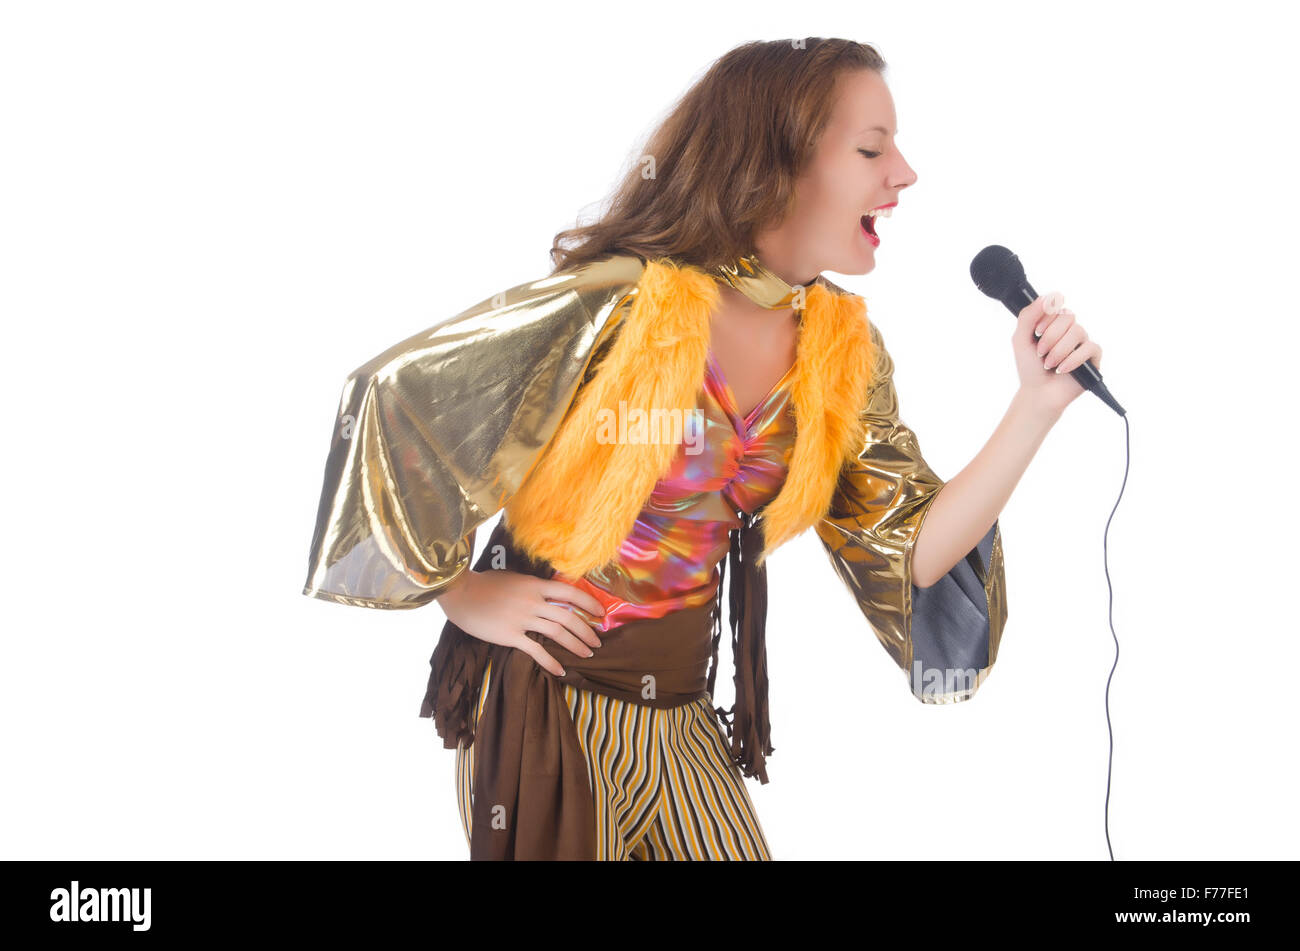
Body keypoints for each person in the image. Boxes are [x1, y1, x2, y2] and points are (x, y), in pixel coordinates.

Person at [301, 38, 1102, 860]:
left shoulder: (839, 347)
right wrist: (459, 590)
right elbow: (395, 400)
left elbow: (913, 548)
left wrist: (1036, 406)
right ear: (777, 162)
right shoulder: (622, 302)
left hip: (683, 717)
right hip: (550, 708)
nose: (903, 172)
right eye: (870, 149)